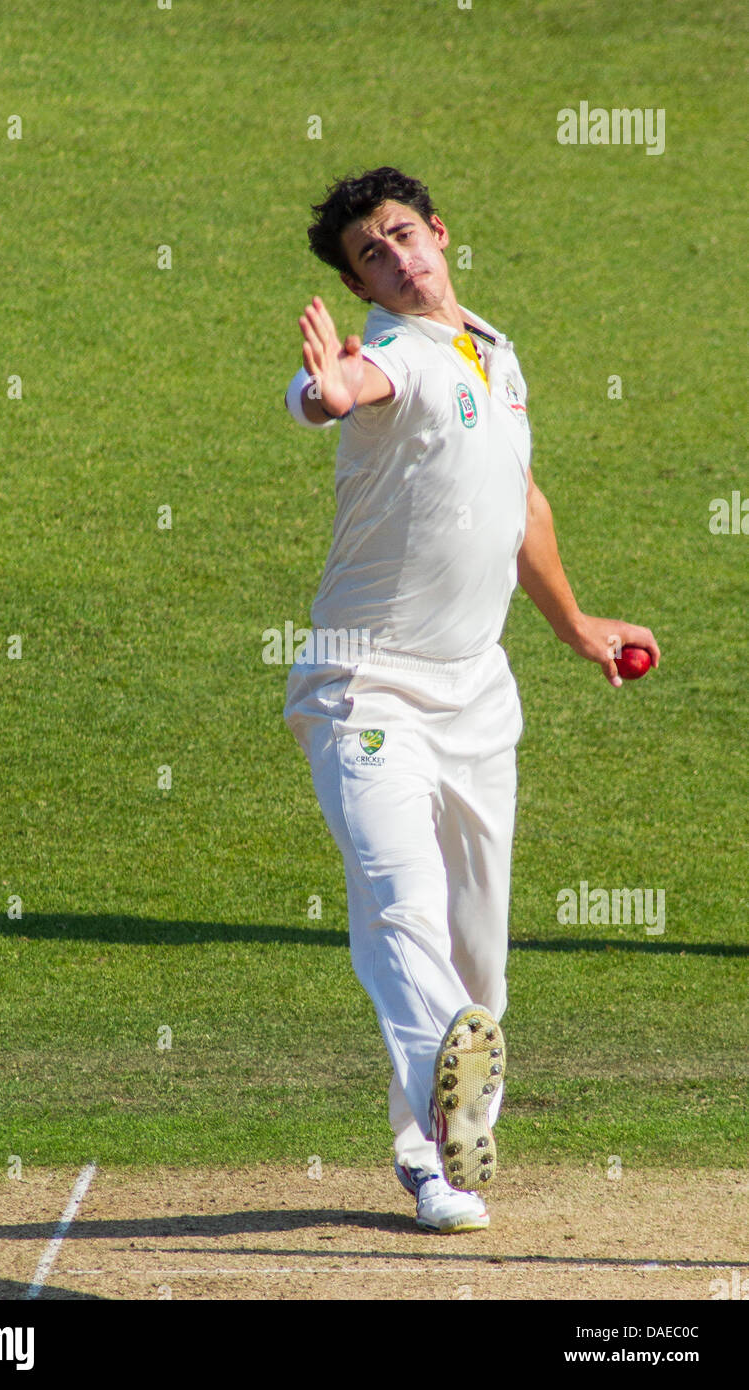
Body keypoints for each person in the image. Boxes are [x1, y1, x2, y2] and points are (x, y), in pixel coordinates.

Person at [281, 167, 659, 1232]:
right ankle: (435, 1158)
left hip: (477, 694)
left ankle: (443, 1126)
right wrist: (326, 390)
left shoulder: (492, 354)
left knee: (473, 950)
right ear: (356, 279)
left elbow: (518, 499)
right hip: (365, 686)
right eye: (370, 254)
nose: (396, 260)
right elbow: (338, 394)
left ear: (439, 232)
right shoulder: (385, 356)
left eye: (403, 236)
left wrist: (576, 627)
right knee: (396, 906)